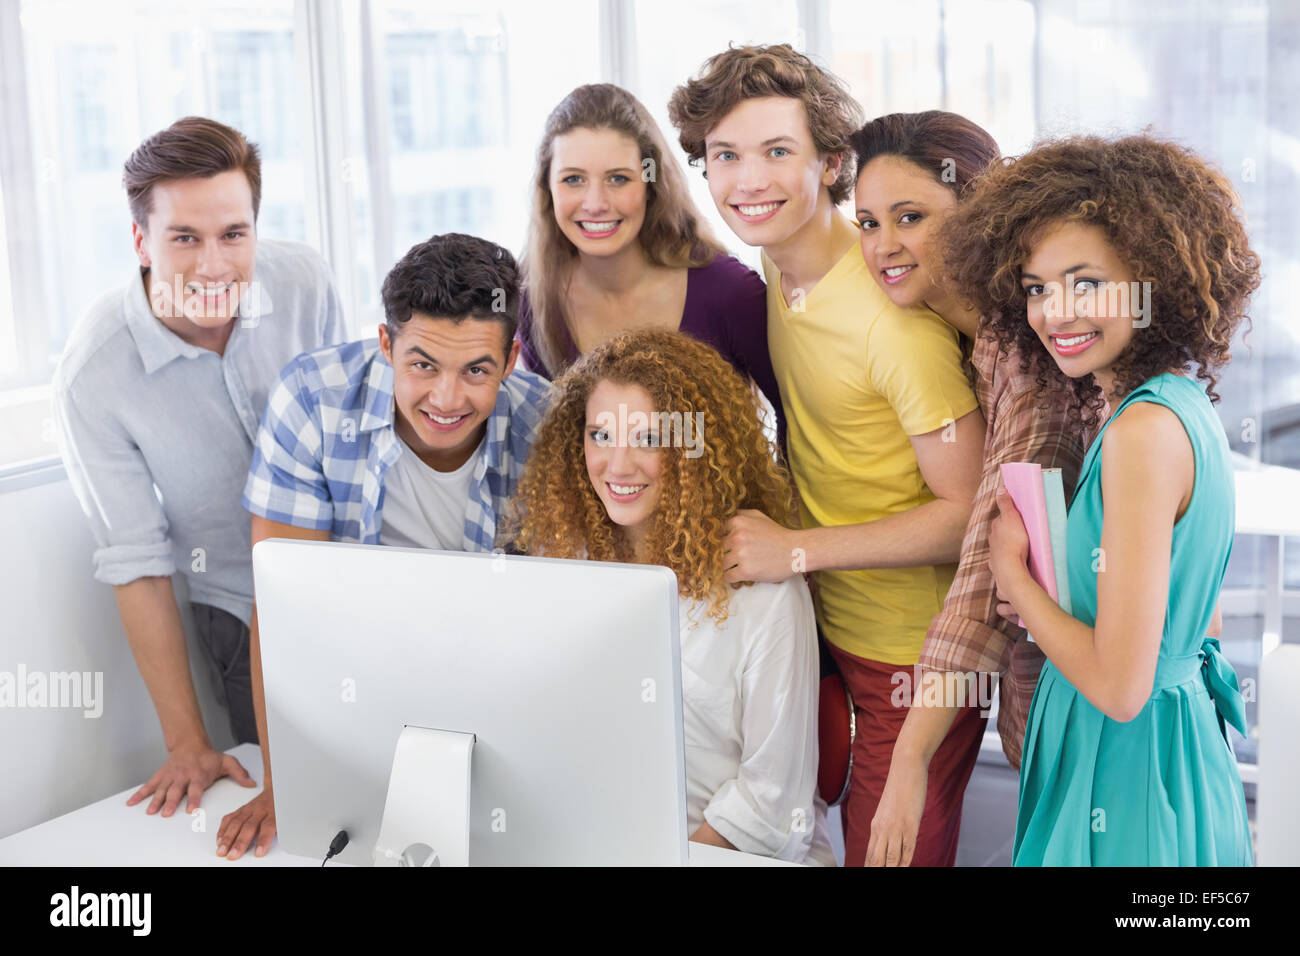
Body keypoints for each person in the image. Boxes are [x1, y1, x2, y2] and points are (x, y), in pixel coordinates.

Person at [668, 45, 986, 867]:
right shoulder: (777, 269)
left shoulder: (894, 320)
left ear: (832, 163)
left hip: (915, 653)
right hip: (829, 631)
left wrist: (796, 550)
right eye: (726, 157)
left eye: (777, 152)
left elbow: (969, 516)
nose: (749, 181)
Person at [955, 134, 1258, 865]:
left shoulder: (1140, 434)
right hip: (1172, 757)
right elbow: (1196, 618)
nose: (1054, 312)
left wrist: (1017, 581)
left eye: (1085, 283)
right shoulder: (1178, 407)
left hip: (1125, 771)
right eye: (1036, 287)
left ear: (1155, 281)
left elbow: (1122, 690)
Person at [218, 233, 551, 860]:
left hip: (495, 686)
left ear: (510, 361)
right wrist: (284, 784)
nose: (447, 399)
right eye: (422, 365)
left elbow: (560, 623)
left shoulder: (545, 425)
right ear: (386, 344)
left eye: (476, 370)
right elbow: (284, 609)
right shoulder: (313, 401)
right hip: (355, 682)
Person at [52, 116, 346, 821]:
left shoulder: (303, 281)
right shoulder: (94, 375)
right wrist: (187, 743)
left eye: (233, 234)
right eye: (184, 237)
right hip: (238, 610)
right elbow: (138, 563)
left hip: (351, 579)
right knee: (301, 813)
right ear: (140, 241)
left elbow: (352, 438)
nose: (214, 266)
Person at [849, 111, 1098, 866]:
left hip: (1091, 698)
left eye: (910, 218)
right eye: (867, 223)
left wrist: (909, 759)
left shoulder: (1029, 354)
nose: (883, 245)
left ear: (979, 213)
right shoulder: (961, 340)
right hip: (1049, 692)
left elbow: (988, 569)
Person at [508, 329, 834, 865]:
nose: (618, 465)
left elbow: (770, 807)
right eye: (600, 435)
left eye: (649, 439)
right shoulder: (565, 562)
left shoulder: (764, 592)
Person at [520, 83, 784, 447]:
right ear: (547, 189)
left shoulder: (730, 293)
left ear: (651, 183)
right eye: (573, 180)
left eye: (618, 178)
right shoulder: (533, 303)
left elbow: (798, 423)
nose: (595, 203)